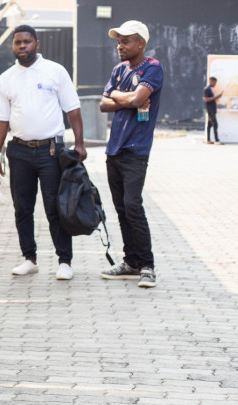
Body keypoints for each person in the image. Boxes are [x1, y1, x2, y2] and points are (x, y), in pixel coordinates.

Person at [0, 25, 86, 281]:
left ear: (37, 44)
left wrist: (79, 143)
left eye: (27, 42)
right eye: (18, 42)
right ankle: (29, 259)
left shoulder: (55, 71)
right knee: (22, 208)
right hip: (19, 151)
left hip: (51, 151)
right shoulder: (6, 78)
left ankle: (65, 261)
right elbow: (1, 120)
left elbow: (73, 109)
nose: (22, 46)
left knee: (56, 207)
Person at [98, 20, 163, 289]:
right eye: (118, 41)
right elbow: (103, 105)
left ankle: (147, 266)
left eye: (126, 41)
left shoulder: (153, 68)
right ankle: (130, 262)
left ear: (140, 43)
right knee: (122, 209)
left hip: (136, 151)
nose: (120, 46)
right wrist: (120, 94)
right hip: (114, 150)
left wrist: (120, 96)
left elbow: (138, 101)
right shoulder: (118, 70)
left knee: (133, 207)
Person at [204, 76, 222, 144]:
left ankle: (208, 140)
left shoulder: (210, 89)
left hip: (212, 109)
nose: (215, 84)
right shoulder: (206, 89)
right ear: (211, 81)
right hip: (210, 110)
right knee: (215, 124)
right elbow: (206, 99)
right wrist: (216, 97)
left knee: (209, 125)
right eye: (214, 82)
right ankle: (216, 140)